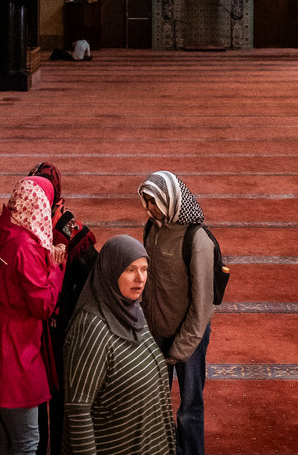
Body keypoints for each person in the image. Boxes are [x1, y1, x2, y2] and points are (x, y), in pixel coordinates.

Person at [0, 177, 66, 455]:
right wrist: (56, 270)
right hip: (14, 345)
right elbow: (43, 306)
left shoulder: (9, 230)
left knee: (6, 436)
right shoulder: (26, 246)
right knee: (26, 441)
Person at [61, 235, 175, 455]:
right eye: (130, 270)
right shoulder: (91, 328)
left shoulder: (131, 310)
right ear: (111, 271)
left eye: (144, 269)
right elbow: (77, 412)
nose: (140, 279)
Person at [139, 171, 214, 455]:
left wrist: (181, 348)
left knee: (190, 407)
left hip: (189, 341)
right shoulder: (152, 228)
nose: (149, 209)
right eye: (146, 202)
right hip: (156, 334)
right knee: (155, 404)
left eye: (153, 202)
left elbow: (202, 305)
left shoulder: (197, 240)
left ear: (169, 200)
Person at [27, 162, 99, 455]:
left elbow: (92, 276)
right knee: (37, 393)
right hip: (34, 323)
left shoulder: (72, 230)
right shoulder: (29, 222)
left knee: (59, 395)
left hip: (60, 328)